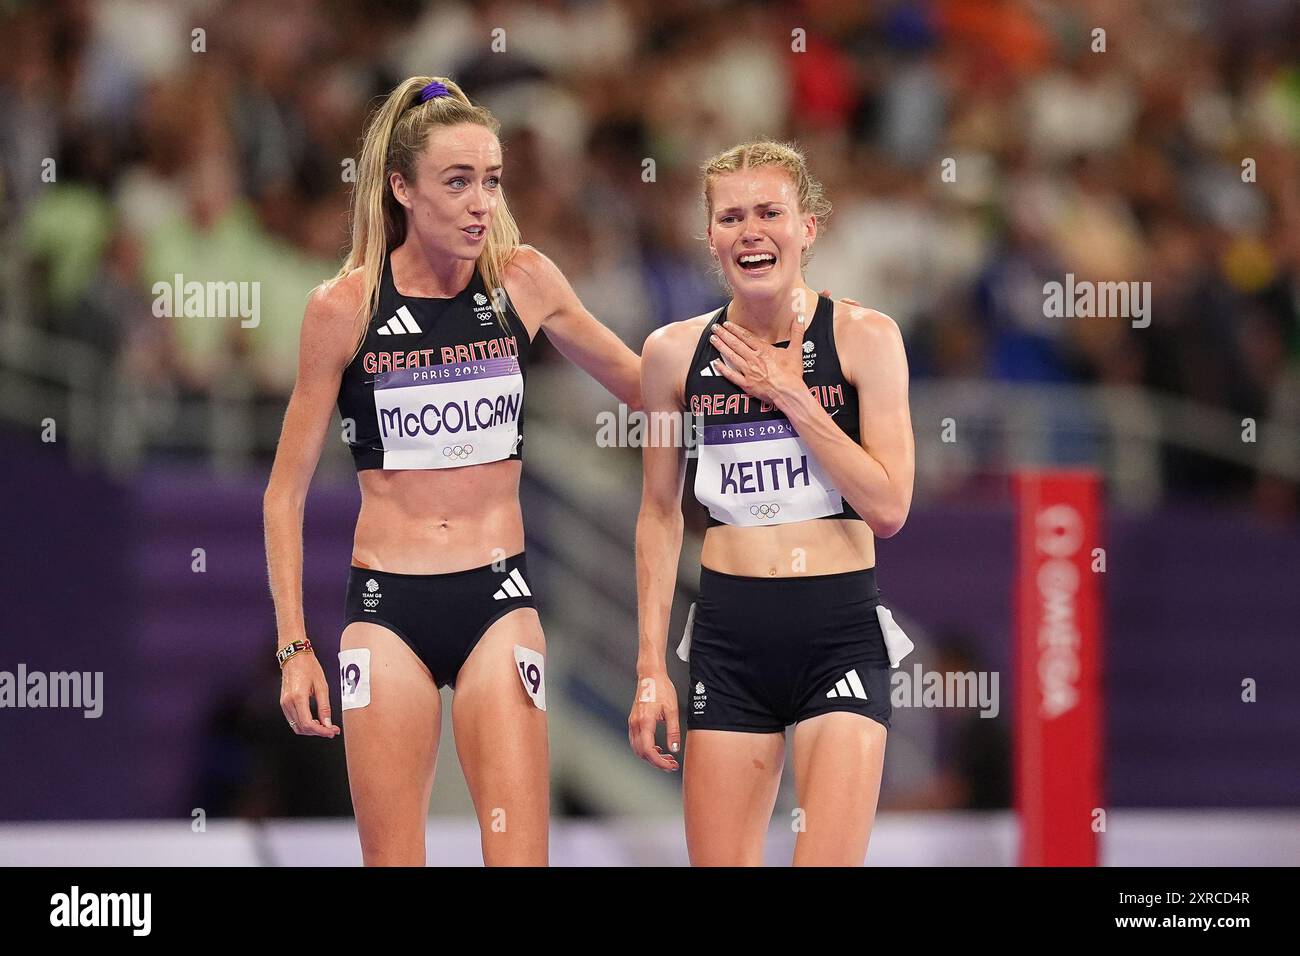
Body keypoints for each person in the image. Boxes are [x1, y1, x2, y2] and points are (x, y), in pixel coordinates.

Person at [264, 76, 640, 866]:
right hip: (386, 605)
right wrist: (294, 647)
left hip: (497, 599)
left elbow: (646, 385)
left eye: (492, 182)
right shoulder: (343, 308)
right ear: (401, 188)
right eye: (458, 182)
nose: (481, 203)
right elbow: (284, 494)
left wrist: (750, 347)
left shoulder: (522, 282)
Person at [629, 140, 916, 866]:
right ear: (710, 238)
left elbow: (888, 507)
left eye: (769, 212)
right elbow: (660, 515)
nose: (750, 230)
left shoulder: (865, 338)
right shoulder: (672, 354)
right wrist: (649, 667)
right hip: (730, 637)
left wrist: (793, 397)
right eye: (730, 217)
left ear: (808, 227)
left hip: (838, 634)